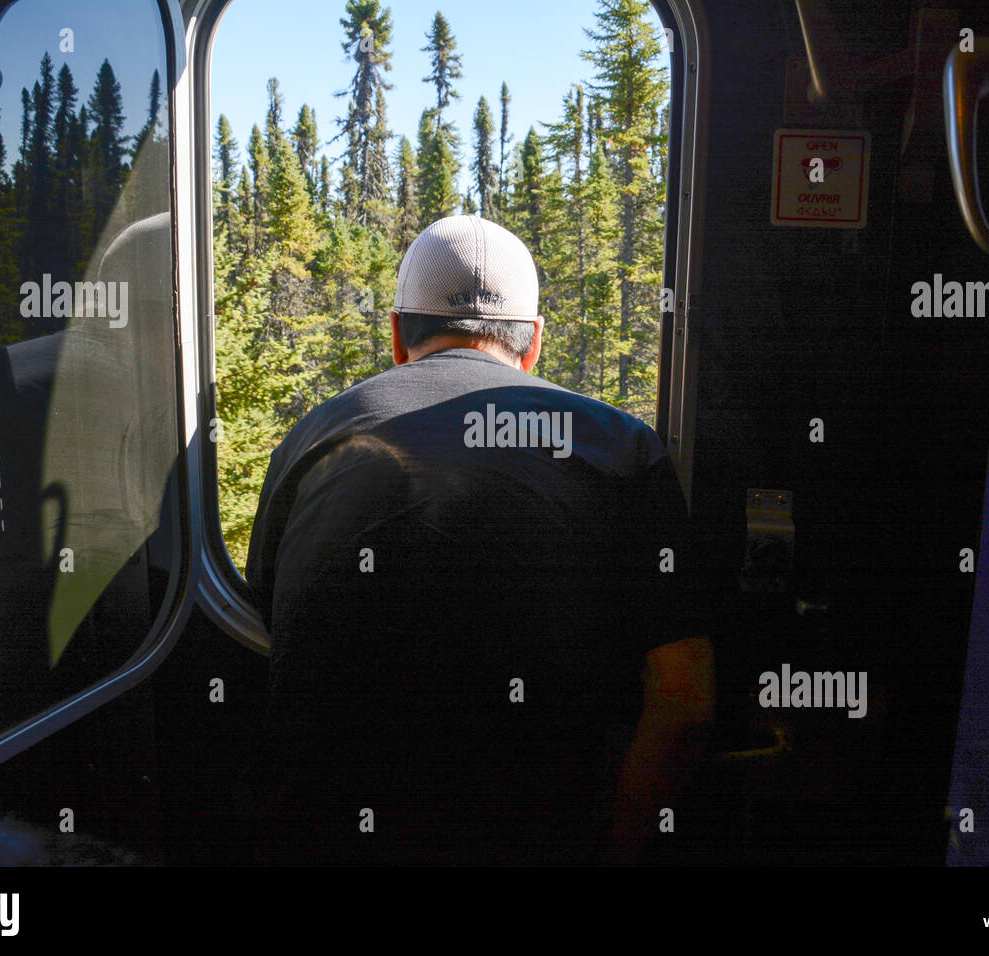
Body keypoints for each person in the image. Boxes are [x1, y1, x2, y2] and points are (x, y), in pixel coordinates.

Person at [245, 214, 712, 864]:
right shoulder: (623, 447)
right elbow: (685, 703)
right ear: (535, 342)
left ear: (397, 336)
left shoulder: (313, 437)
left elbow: (269, 627)